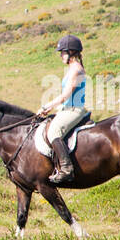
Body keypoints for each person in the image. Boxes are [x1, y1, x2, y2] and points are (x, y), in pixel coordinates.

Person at [37, 34, 88, 183]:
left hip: (74, 110)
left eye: (63, 52)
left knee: (54, 131)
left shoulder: (76, 70)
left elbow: (65, 95)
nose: (61, 55)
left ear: (71, 52)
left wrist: (47, 106)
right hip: (67, 109)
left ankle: (66, 169)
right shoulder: (72, 69)